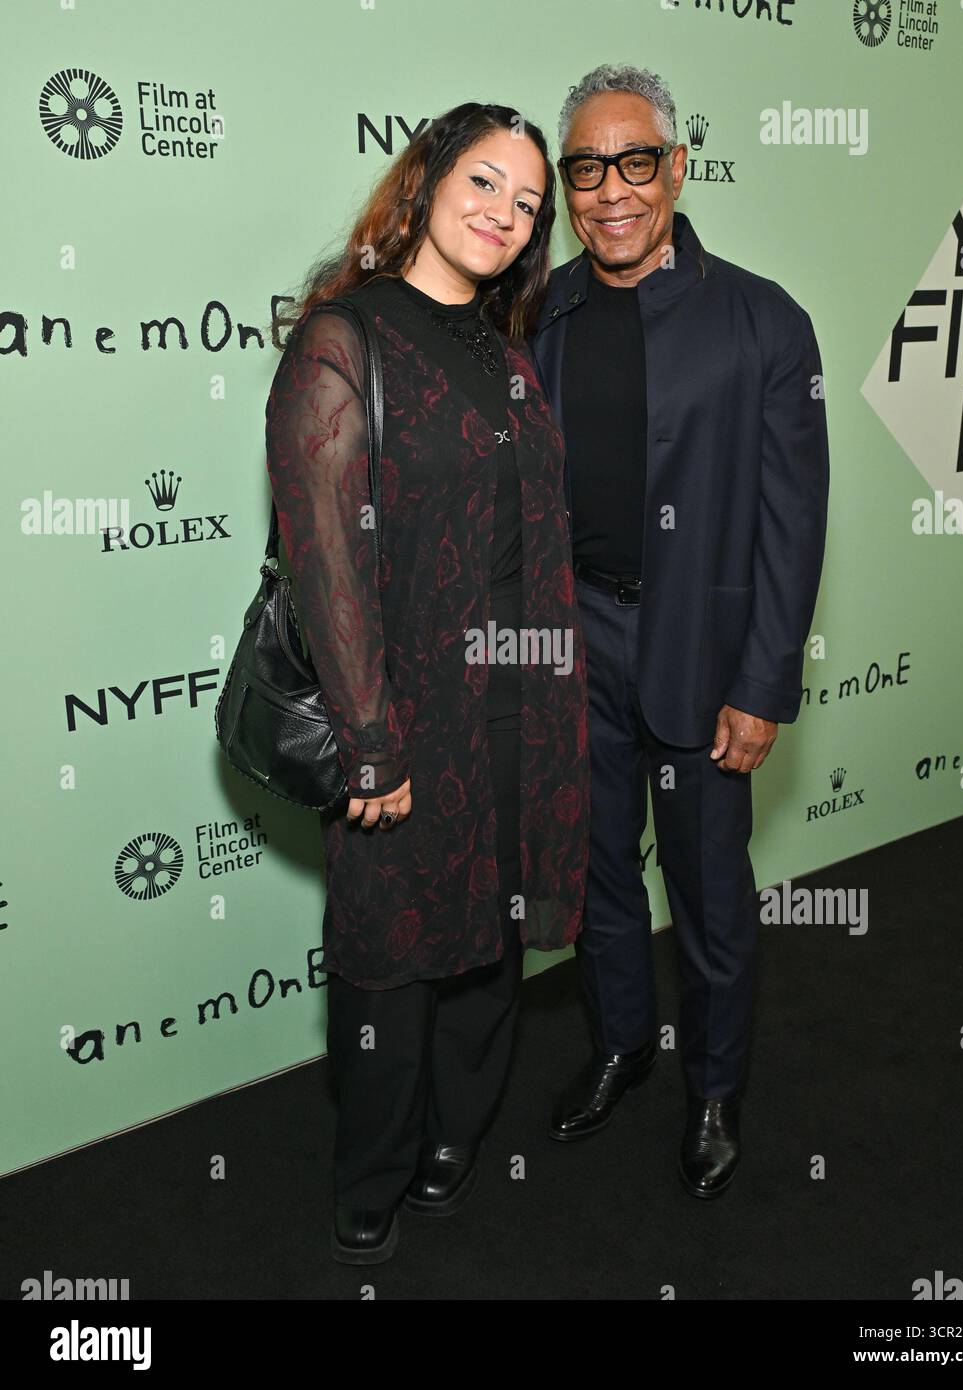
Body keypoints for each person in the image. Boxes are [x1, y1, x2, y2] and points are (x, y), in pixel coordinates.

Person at [264, 102, 589, 1263]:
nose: (507, 212)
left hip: (520, 704)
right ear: (430, 175)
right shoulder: (344, 339)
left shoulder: (503, 347)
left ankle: (457, 1136)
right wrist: (370, 741)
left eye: (528, 203)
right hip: (405, 717)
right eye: (487, 182)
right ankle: (374, 1168)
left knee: (491, 945)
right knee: (391, 958)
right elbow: (324, 557)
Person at [529, 65, 829, 1198]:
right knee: (598, 872)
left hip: (704, 659)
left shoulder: (764, 319)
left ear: (678, 166)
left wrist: (763, 686)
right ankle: (620, 1046)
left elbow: (792, 529)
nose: (612, 191)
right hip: (576, 648)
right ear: (569, 185)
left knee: (707, 890)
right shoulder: (542, 311)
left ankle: (713, 1089)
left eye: (636, 161)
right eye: (588, 169)